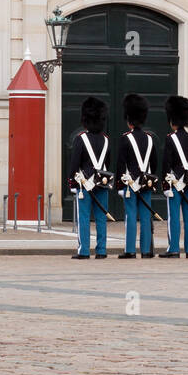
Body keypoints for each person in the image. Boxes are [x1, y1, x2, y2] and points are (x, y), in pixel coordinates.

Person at [116, 93, 156, 260]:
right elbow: (154, 163)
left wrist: (119, 184)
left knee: (131, 215)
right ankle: (146, 250)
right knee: (145, 216)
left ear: (129, 119)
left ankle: (130, 250)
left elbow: (120, 164)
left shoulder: (125, 139)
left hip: (130, 183)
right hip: (146, 182)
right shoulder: (150, 138)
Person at [69, 96, 111, 260]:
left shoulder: (81, 138)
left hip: (84, 184)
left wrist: (72, 181)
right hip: (102, 183)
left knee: (84, 218)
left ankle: (84, 251)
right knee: (101, 218)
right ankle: (101, 250)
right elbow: (107, 162)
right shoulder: (106, 139)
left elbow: (74, 163)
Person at [160, 95, 188, 259]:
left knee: (174, 218)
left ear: (172, 119)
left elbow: (166, 164)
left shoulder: (170, 139)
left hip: (175, 184)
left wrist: (165, 185)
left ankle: (174, 249)